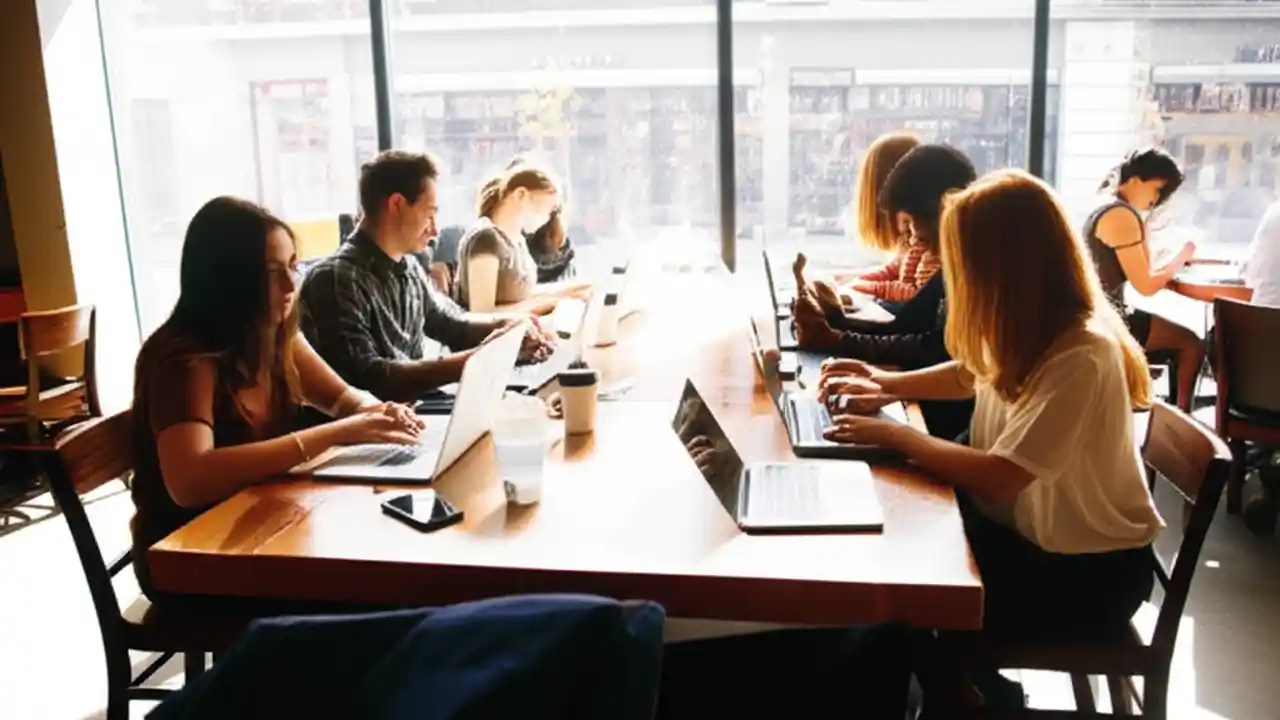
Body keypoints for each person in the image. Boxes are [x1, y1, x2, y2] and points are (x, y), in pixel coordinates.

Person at [821, 170, 1163, 709]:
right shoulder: (1035, 326)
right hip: (1035, 542)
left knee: (901, 598)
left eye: (965, 261)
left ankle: (972, 695)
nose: (958, 276)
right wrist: (884, 384)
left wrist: (897, 433)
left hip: (1085, 577)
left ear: (1005, 265)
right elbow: (969, 371)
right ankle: (967, 690)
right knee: (896, 562)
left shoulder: (1081, 353)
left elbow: (1002, 477)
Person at [131, 196, 424, 606]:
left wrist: (378, 411)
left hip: (257, 525)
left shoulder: (275, 334)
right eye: (271, 273)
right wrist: (336, 434)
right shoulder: (185, 360)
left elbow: (345, 400)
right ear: (226, 279)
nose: (290, 287)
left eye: (292, 267)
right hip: (189, 554)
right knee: (373, 590)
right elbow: (190, 481)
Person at [299, 150, 549, 404]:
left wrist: (511, 328)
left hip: (410, 412)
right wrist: (481, 359)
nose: (435, 228)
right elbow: (370, 378)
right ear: (396, 204)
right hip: (372, 428)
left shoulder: (408, 266)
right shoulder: (334, 280)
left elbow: (453, 325)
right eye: (429, 214)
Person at [793, 144, 977, 440]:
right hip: (929, 418)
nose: (917, 242)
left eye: (916, 229)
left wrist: (839, 340)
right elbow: (908, 323)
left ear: (947, 209)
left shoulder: (975, 269)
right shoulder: (955, 264)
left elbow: (938, 350)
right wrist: (835, 322)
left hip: (941, 424)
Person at [1085, 147, 1203, 410]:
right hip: (1111, 320)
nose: (1158, 198)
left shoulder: (1110, 207)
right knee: (1192, 344)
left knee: (1187, 340)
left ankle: (1173, 419)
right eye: (1157, 189)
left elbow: (1145, 269)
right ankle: (1182, 421)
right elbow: (1147, 285)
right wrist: (1181, 257)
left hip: (1098, 314)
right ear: (1136, 180)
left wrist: (1144, 223)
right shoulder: (1120, 216)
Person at [801, 132, 927, 311]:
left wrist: (861, 287)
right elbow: (893, 270)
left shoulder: (927, 245)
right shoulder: (909, 241)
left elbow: (911, 293)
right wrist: (855, 281)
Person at [455, 162, 589, 313]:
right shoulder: (485, 238)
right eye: (547, 210)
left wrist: (571, 290)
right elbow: (482, 313)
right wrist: (552, 302)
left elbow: (522, 295)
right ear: (521, 194)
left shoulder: (517, 239)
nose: (547, 219)